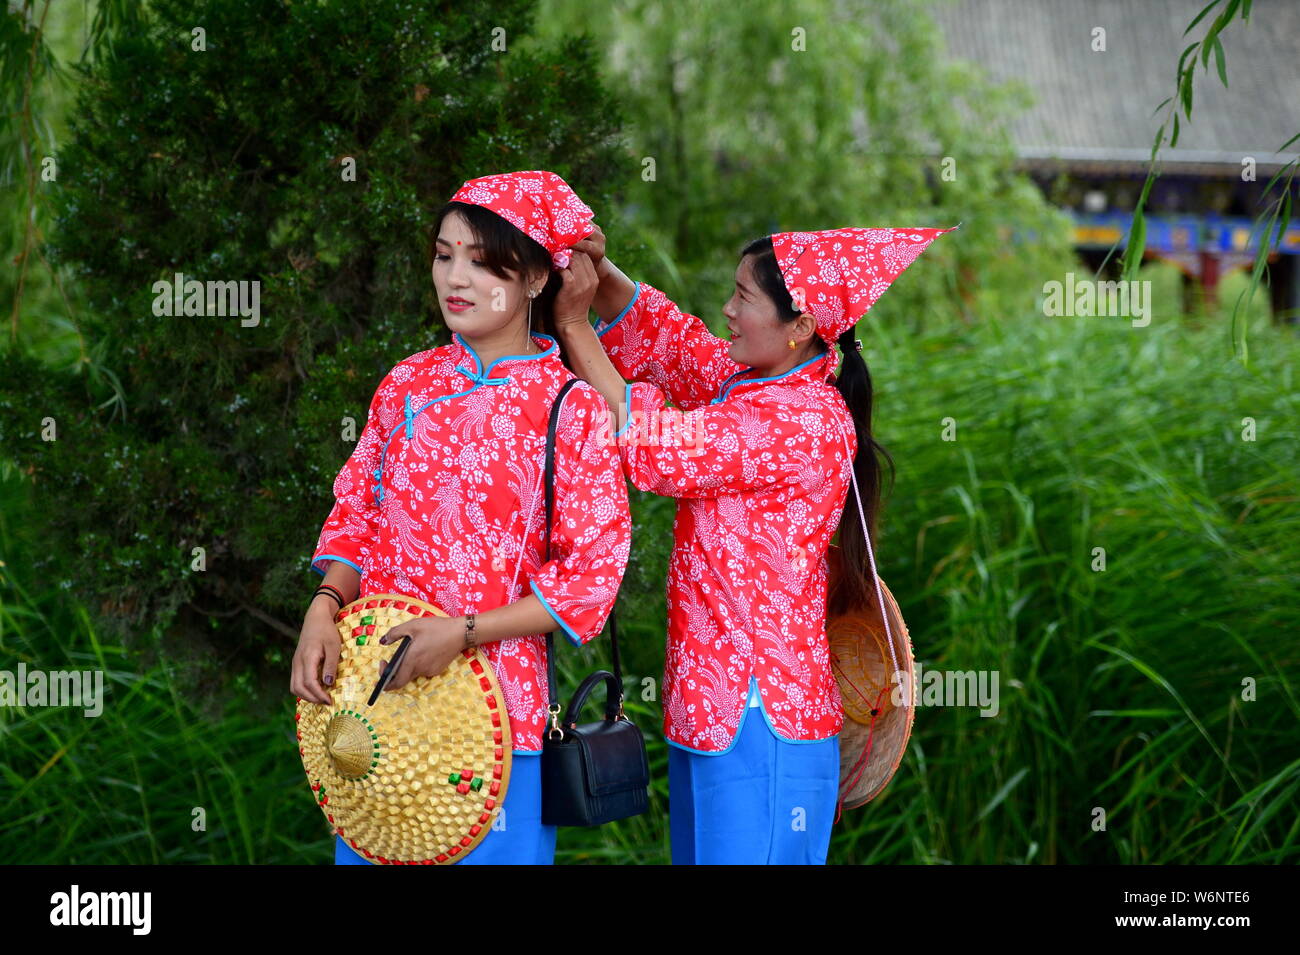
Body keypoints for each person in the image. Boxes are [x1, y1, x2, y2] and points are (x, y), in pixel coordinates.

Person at [552, 224, 954, 863]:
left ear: (798, 327)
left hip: (762, 717)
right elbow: (671, 344)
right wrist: (598, 277)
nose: (728, 312)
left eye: (744, 298)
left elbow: (652, 446)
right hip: (712, 711)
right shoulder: (750, 382)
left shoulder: (802, 419)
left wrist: (574, 326)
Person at [290, 170, 632, 865]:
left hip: (497, 730)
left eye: (482, 261)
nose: (456, 277)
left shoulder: (569, 409)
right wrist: (324, 606)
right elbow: (356, 508)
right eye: (444, 254)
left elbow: (591, 575)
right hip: (373, 721)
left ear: (537, 276)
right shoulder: (407, 384)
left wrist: (465, 632)